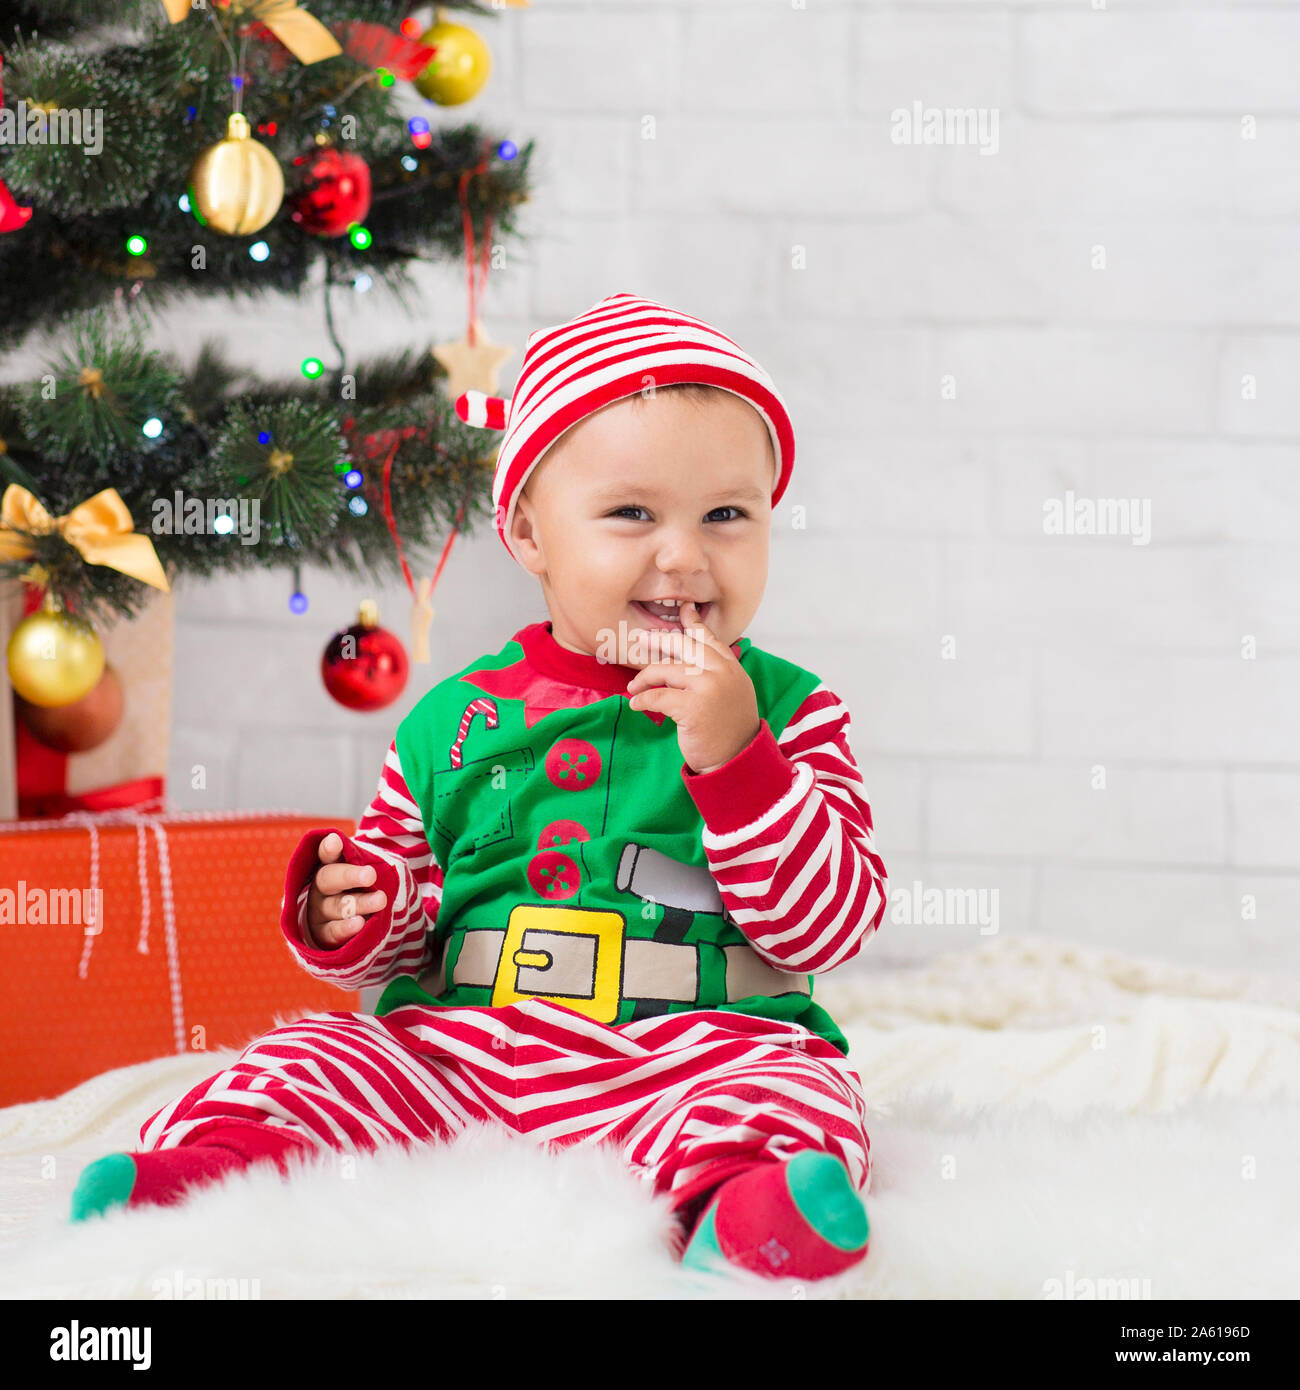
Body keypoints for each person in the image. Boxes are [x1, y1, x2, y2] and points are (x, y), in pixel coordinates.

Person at [69, 293, 889, 1283]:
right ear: (532, 537)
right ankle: (214, 1173)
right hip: (470, 1052)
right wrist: (356, 908)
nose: (683, 553)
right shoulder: (451, 722)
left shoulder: (788, 712)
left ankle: (740, 1211)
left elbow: (826, 928)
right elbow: (410, 917)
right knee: (310, 1059)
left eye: (727, 514)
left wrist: (739, 760)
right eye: (632, 513)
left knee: (796, 1092)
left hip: (699, 1050)